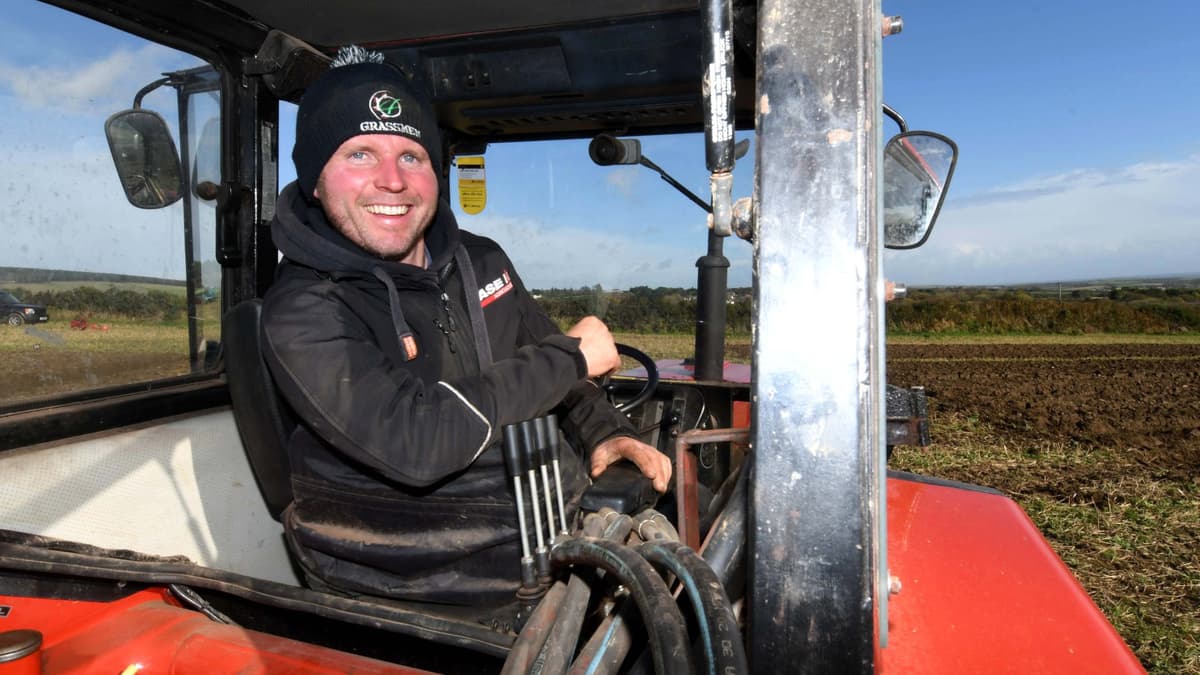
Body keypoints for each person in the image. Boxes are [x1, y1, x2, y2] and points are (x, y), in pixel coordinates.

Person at [261, 46, 671, 606]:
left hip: (528, 546)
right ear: (314, 179)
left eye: (412, 157)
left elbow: (542, 355)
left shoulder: (481, 261)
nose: (392, 180)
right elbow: (416, 440)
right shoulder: (303, 309)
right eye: (360, 154)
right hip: (395, 588)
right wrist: (570, 357)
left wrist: (606, 433)